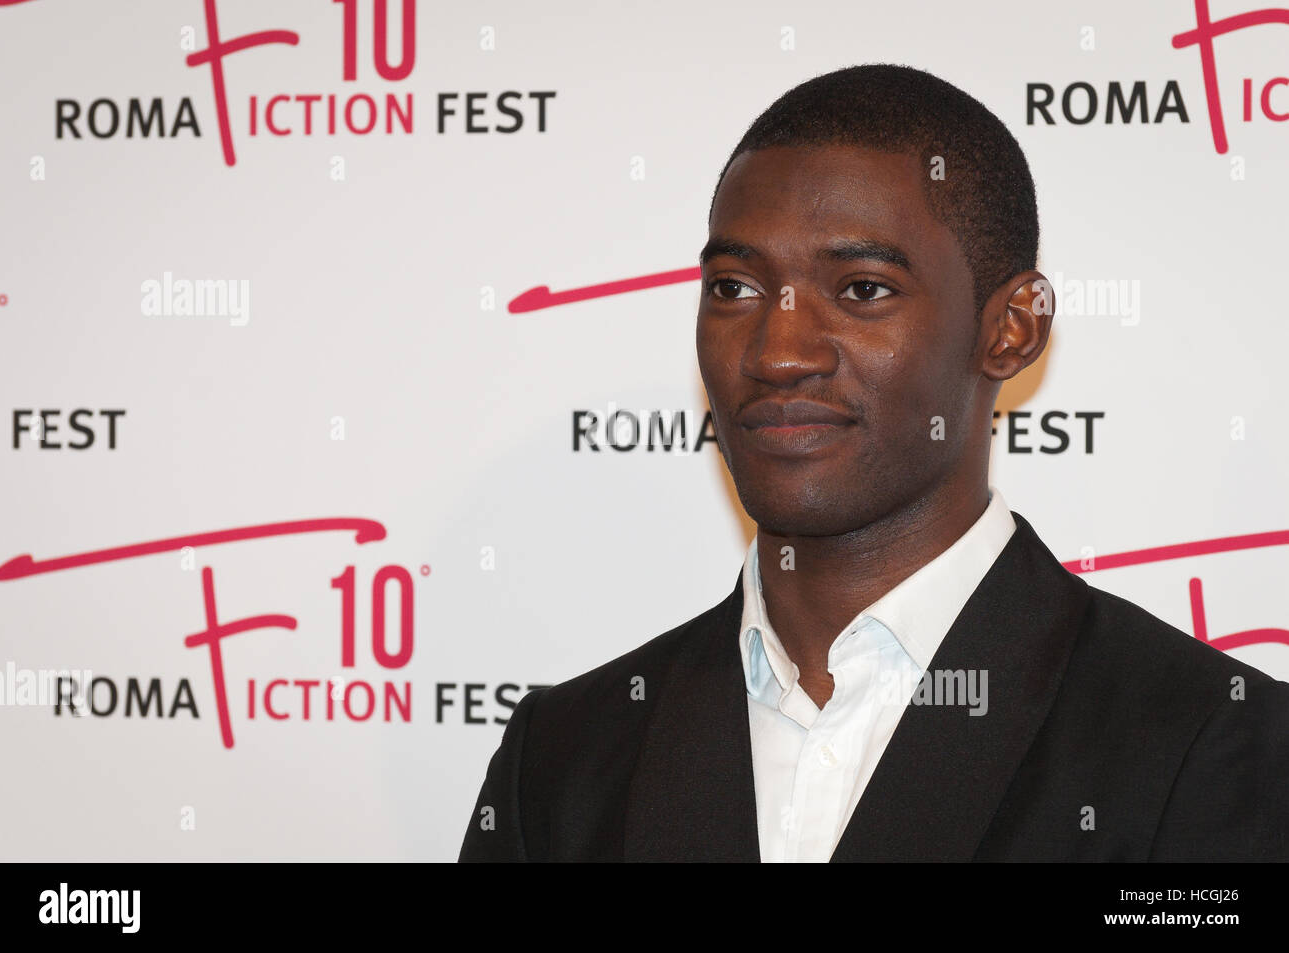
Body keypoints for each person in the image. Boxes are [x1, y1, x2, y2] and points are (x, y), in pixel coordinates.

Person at [458, 64, 1289, 862]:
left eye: (861, 290)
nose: (778, 353)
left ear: (1010, 330)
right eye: (735, 288)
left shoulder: (1215, 747)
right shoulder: (563, 759)